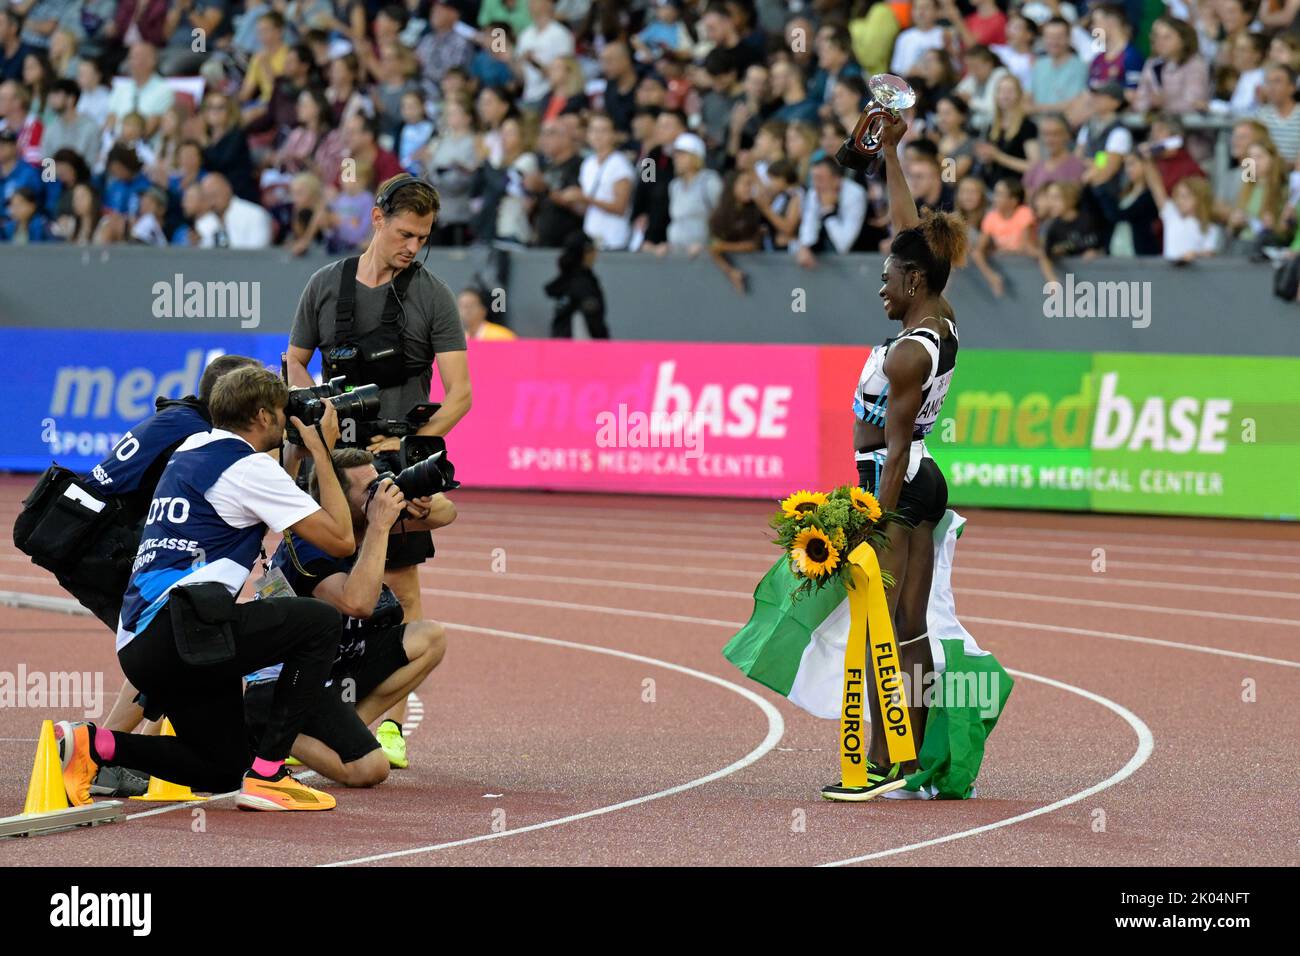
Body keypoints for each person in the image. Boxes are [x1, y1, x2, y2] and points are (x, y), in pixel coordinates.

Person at [54, 366, 359, 812]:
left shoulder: (195, 448)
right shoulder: (248, 468)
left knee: (221, 768)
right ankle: (271, 772)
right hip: (183, 635)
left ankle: (95, 745)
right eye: (280, 411)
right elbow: (341, 539)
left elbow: (266, 492)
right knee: (321, 622)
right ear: (260, 415)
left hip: (147, 644)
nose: (285, 419)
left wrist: (295, 452)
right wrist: (323, 453)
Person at [286, 173, 470, 766]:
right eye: (405, 233)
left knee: (402, 590)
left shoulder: (432, 295)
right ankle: (293, 711)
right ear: (376, 217)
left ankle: (388, 726)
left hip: (393, 462)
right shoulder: (324, 285)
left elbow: (460, 395)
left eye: (423, 237)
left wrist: (407, 445)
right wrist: (315, 417)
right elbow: (293, 360)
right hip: (328, 464)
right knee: (315, 586)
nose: (413, 246)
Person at [822, 112, 967, 802]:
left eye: (887, 278)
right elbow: (907, 229)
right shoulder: (935, 311)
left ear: (913, 280)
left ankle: (884, 761)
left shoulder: (911, 350)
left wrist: (869, 521)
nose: (879, 288)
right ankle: (906, 758)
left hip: (900, 485)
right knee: (909, 626)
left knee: (889, 625)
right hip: (917, 480)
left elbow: (899, 443)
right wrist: (893, 154)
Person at [243, 448, 450, 786]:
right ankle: (265, 731)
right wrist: (381, 526)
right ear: (335, 498)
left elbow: (447, 513)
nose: (379, 494)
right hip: (284, 683)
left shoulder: (363, 522)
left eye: (379, 483)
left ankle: (344, 726)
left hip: (333, 665)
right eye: (368, 490)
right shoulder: (311, 542)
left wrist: (419, 500)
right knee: (371, 771)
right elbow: (358, 605)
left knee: (430, 637)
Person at [545, 232, 610, 338]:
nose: (595, 254)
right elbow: (594, 322)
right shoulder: (582, 284)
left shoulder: (566, 280)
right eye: (591, 250)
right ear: (584, 253)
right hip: (578, 350)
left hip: (559, 345)